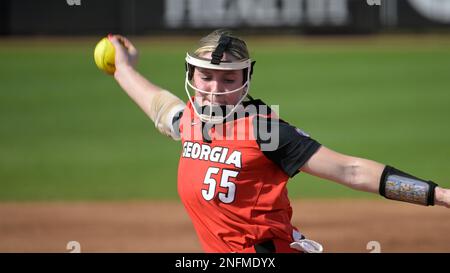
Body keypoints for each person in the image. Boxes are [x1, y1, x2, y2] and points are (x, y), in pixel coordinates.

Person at [108, 29, 450, 253]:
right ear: (191, 75)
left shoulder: (264, 130)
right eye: (206, 76)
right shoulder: (191, 120)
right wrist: (122, 69)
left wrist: (438, 195)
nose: (214, 89)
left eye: (228, 79)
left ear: (245, 79)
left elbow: (350, 170)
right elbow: (157, 104)